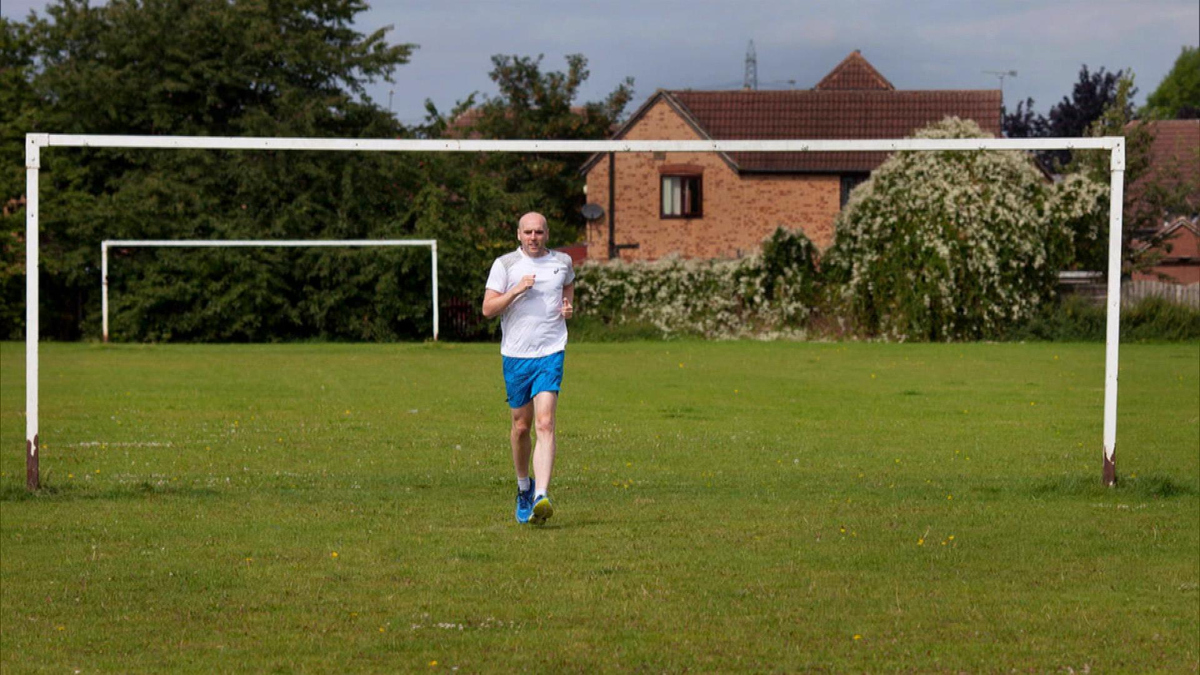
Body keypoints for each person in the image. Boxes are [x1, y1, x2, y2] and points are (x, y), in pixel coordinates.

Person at [482, 212, 574, 524]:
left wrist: (567, 306)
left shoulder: (562, 261)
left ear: (547, 233)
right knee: (521, 427)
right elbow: (487, 309)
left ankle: (541, 496)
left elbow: (568, 284)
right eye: (528, 232)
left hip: (551, 351)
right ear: (519, 235)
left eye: (539, 232)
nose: (533, 237)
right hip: (516, 355)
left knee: (545, 424)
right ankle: (524, 486)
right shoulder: (505, 265)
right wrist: (517, 290)